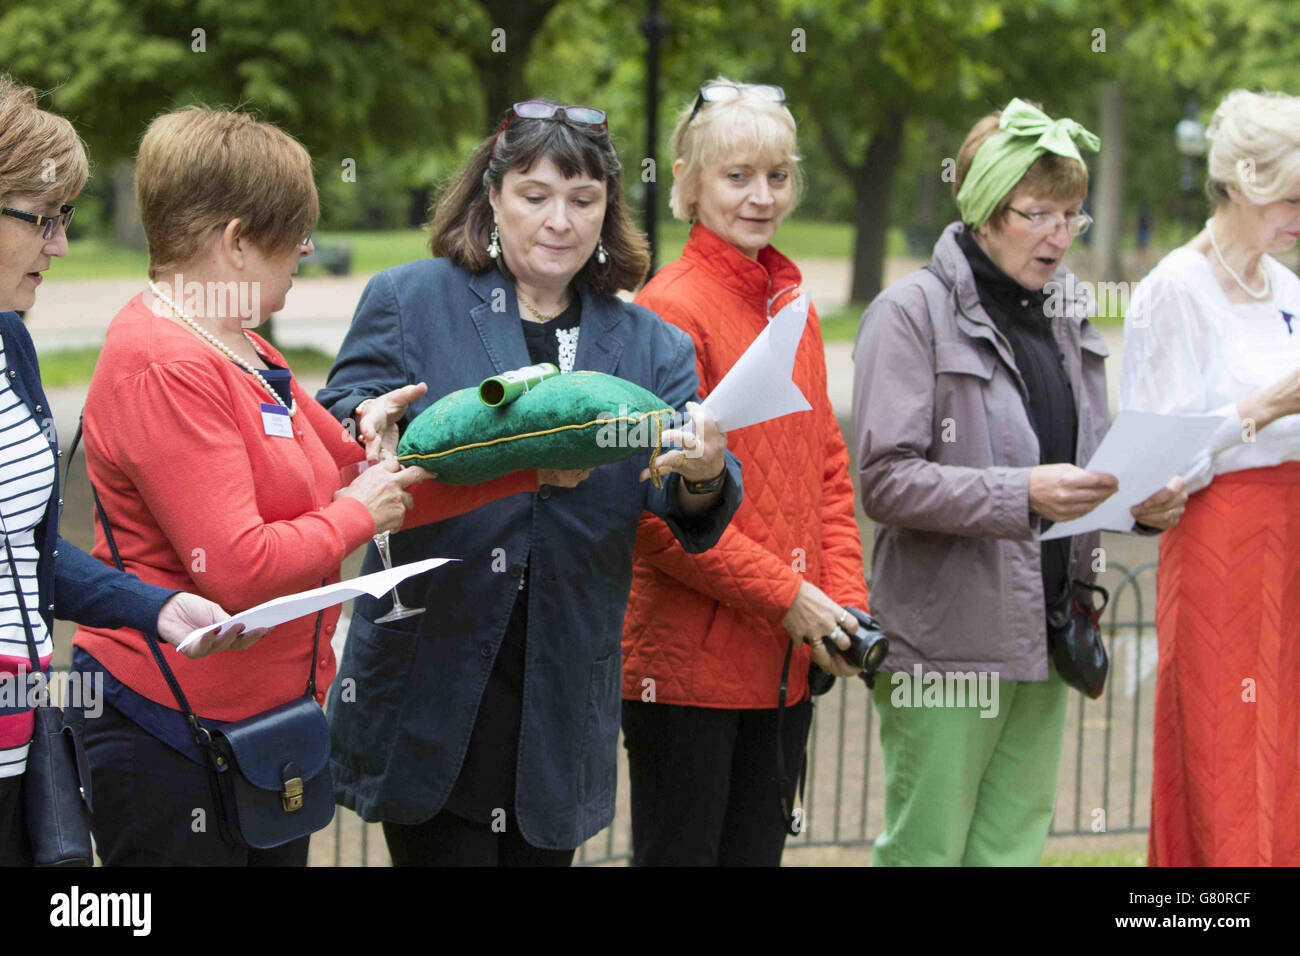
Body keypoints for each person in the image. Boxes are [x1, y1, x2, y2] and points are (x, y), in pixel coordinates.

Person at [71, 106, 546, 867]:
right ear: (233, 243)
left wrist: (531, 467)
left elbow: (376, 482)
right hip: (172, 727)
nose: (305, 253)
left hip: (260, 722)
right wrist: (354, 513)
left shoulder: (241, 344)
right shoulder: (167, 362)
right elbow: (235, 565)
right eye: (293, 236)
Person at [317, 99, 743, 867]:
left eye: (584, 200)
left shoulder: (654, 343)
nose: (560, 221)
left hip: (558, 697)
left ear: (608, 210)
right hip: (432, 674)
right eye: (535, 195)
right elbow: (337, 428)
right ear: (492, 197)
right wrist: (361, 423)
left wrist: (706, 475)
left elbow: (686, 507)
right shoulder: (408, 300)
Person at [852, 98, 1187, 866]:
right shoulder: (908, 315)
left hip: (1048, 629)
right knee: (926, 852)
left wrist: (1140, 504)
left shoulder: (1068, 312)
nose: (1060, 234)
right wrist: (1020, 494)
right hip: (946, 648)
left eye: (1072, 215)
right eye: (1037, 213)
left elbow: (1089, 457)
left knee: (1009, 854)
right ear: (982, 210)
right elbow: (886, 483)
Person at [0, 76, 254, 866]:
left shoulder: (12, 345)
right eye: (43, 220)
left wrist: (154, 607)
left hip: (19, 755)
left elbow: (24, 552)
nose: (62, 246)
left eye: (67, 219)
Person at [620, 78, 868, 866]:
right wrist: (792, 598)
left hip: (783, 660)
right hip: (687, 671)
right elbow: (658, 515)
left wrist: (843, 612)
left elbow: (828, 468)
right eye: (737, 177)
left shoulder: (790, 303)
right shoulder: (668, 309)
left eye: (778, 175)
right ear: (689, 186)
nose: (761, 196)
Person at [1120, 89, 1300, 867]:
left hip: (1291, 536)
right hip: (1221, 540)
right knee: (1229, 748)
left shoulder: (1290, 290)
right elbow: (1155, 467)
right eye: (1289, 197)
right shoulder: (1174, 290)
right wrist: (1262, 407)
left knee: (1286, 751)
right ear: (1241, 183)